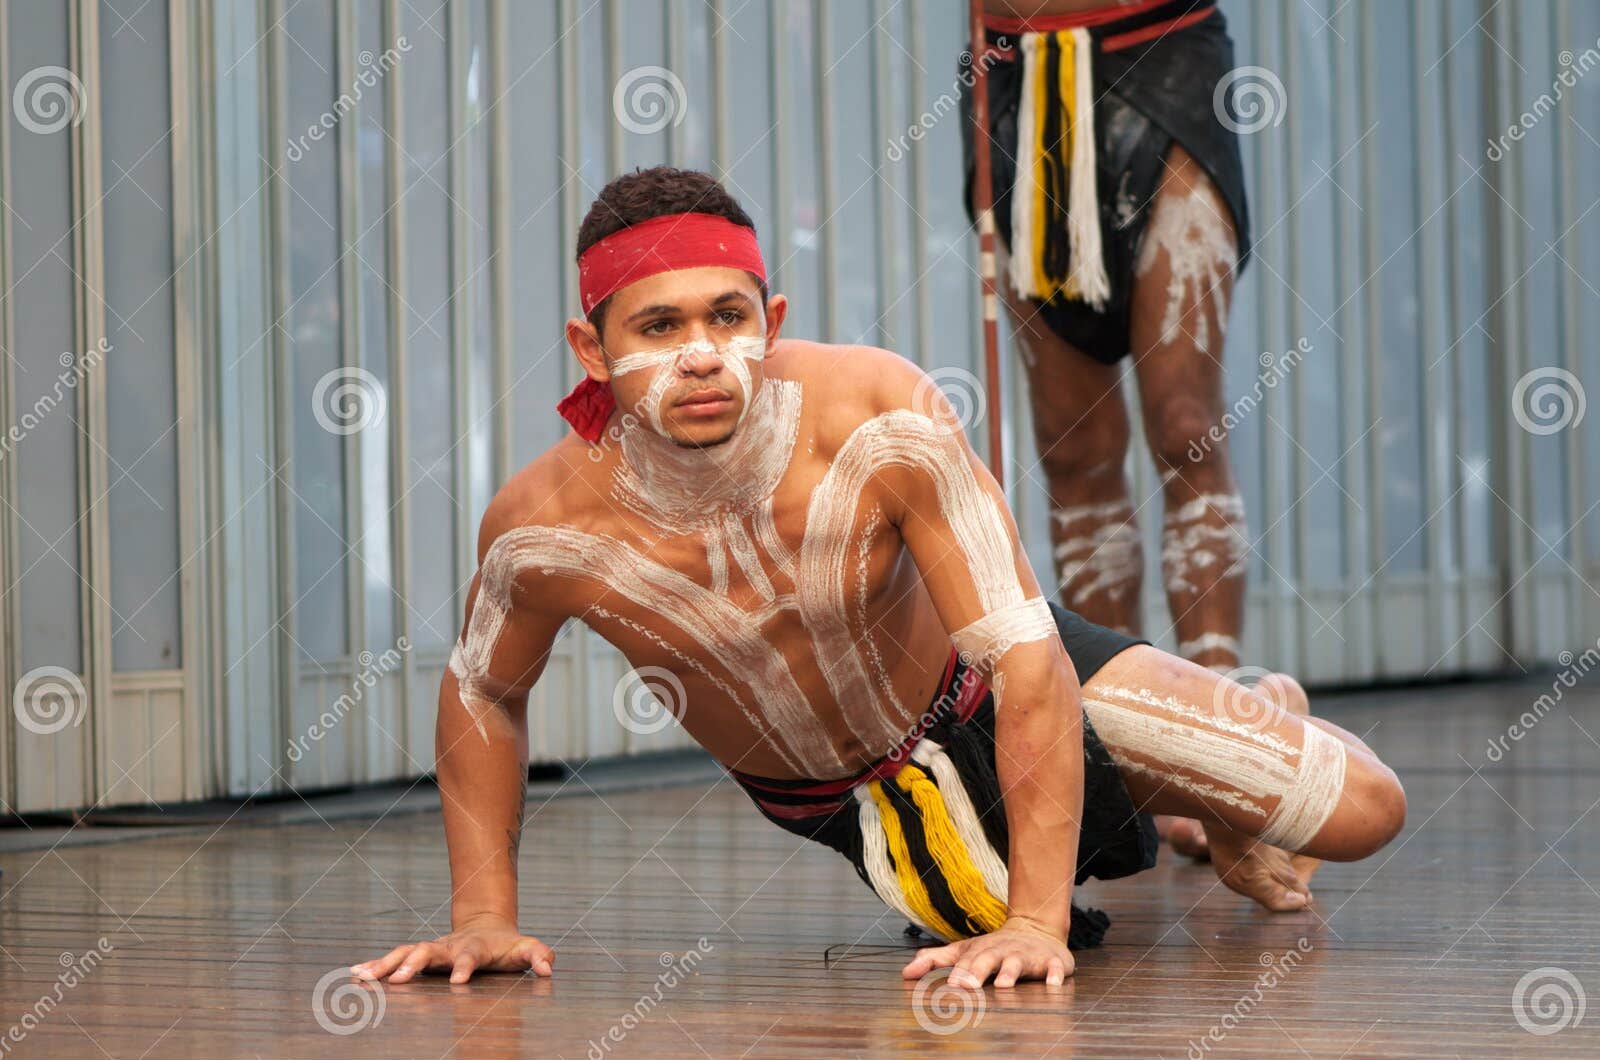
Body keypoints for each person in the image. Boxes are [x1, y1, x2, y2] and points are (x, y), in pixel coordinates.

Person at [351, 167, 1403, 991]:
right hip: (852, 802)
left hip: (1002, 689)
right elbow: (485, 685)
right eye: (659, 328)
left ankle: (1250, 724)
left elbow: (1026, 656)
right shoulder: (543, 527)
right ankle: (1175, 799)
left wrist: (1041, 928)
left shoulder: (875, 412)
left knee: (1361, 810)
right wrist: (483, 912)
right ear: (591, 346)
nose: (704, 354)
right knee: (975, 908)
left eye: (728, 315)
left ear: (772, 314)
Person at [963, 0, 1255, 860]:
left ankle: (1219, 742)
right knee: (1073, 445)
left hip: (1161, 55)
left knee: (1184, 423)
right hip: (1017, 74)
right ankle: (1121, 751)